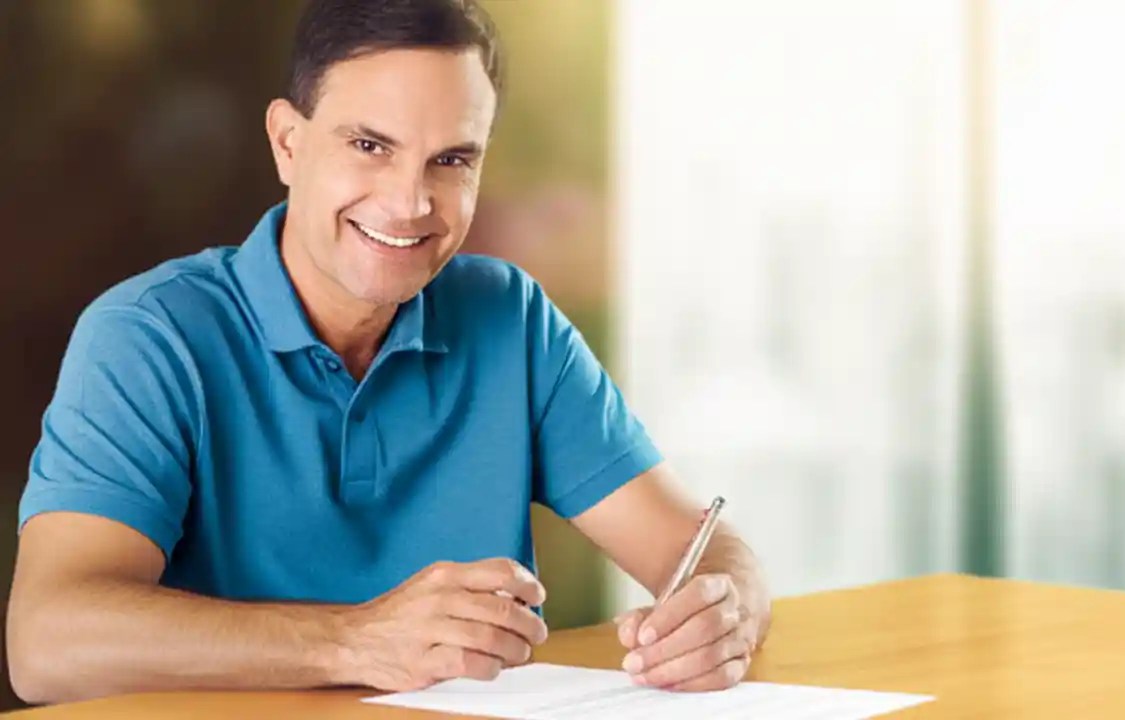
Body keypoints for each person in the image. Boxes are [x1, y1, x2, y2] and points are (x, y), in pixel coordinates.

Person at [5, 0, 769, 705]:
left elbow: (698, 549)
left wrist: (723, 609)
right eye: (370, 145)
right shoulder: (149, 337)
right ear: (288, 142)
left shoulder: (511, 320)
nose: (410, 203)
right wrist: (356, 640)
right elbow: (45, 643)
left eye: (452, 160)